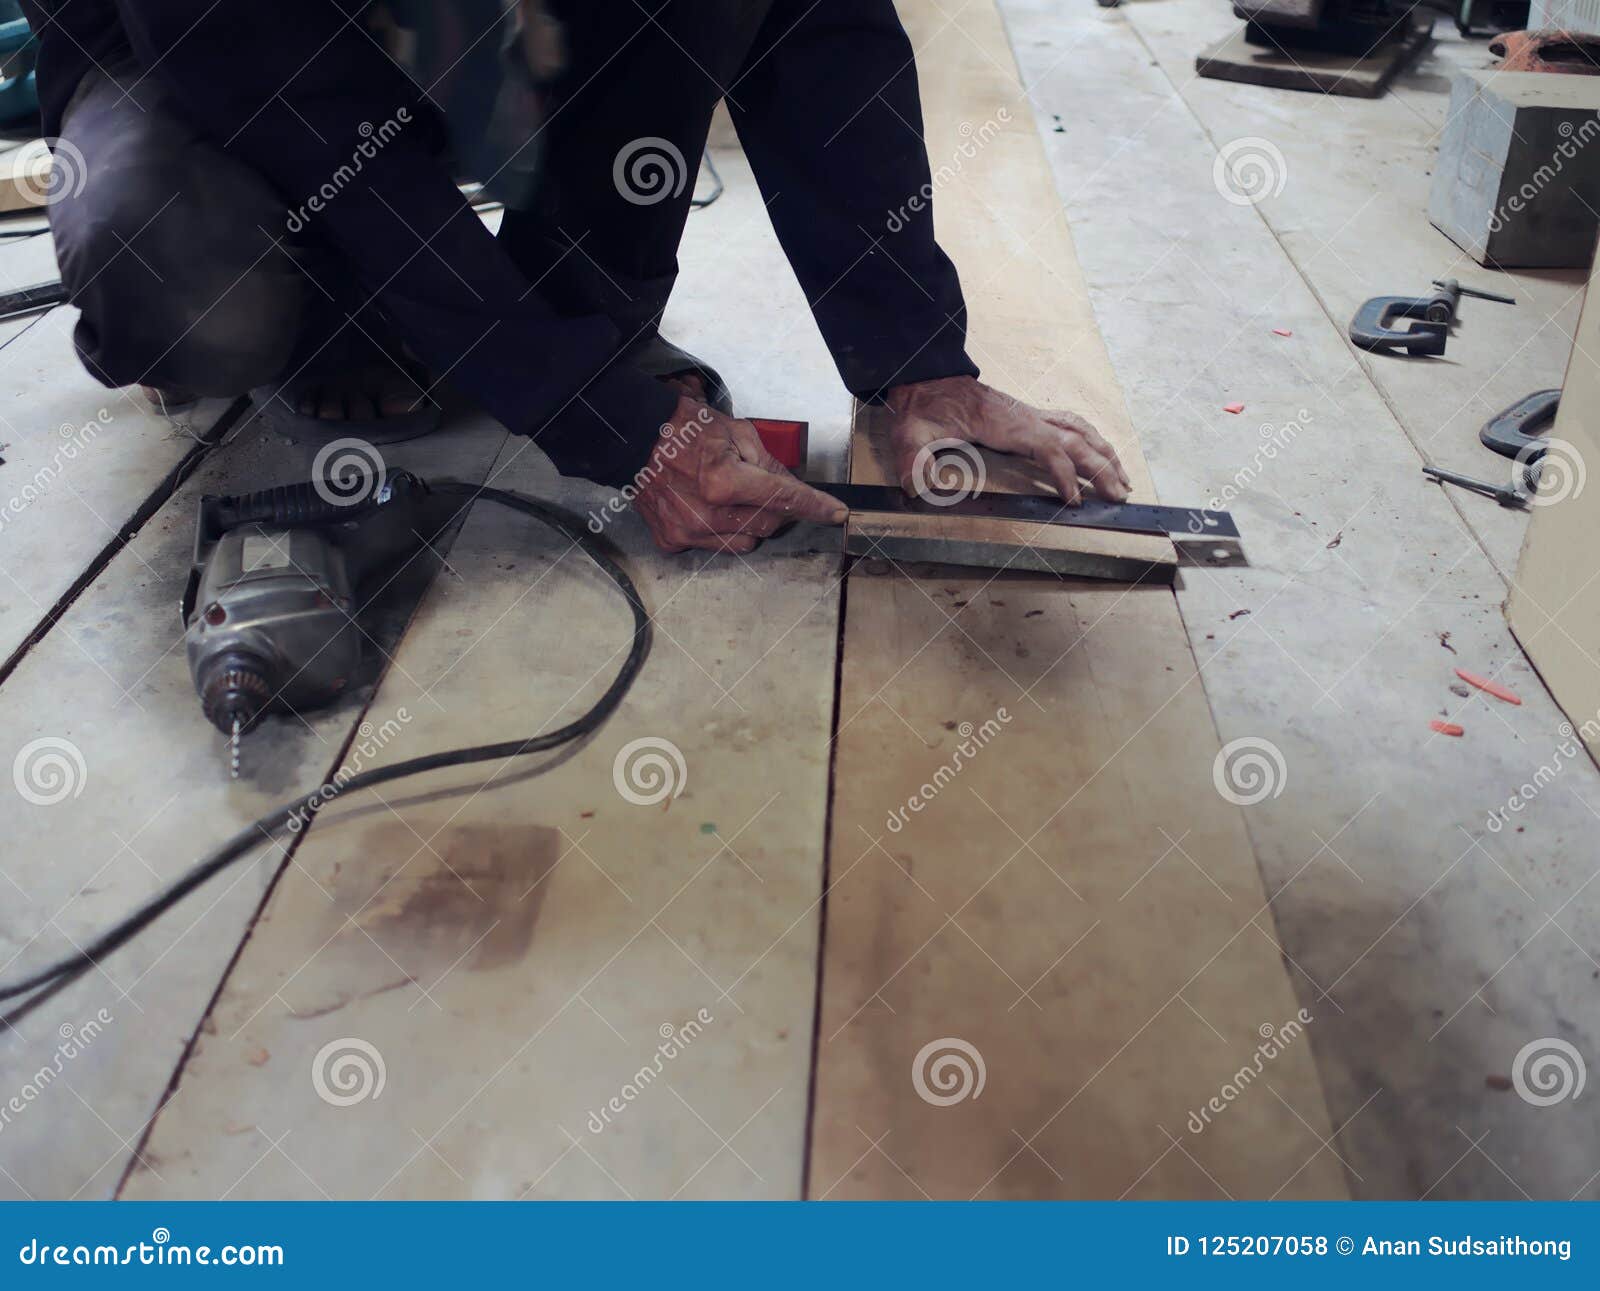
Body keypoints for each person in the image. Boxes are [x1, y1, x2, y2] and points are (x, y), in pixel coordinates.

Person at [20, 0, 1129, 555]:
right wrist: (604, 419)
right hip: (195, 52)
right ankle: (350, 326)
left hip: (447, 32)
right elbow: (292, 113)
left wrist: (917, 357)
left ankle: (568, 308)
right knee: (177, 273)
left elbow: (812, 19)